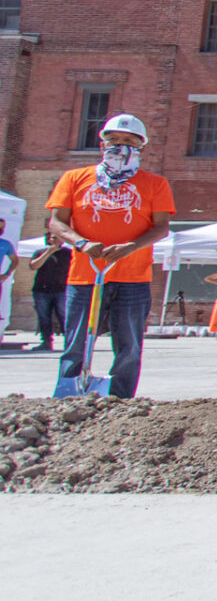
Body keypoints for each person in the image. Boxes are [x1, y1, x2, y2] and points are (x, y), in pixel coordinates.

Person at [45, 113, 175, 398]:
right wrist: (80, 242)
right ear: (102, 144)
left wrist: (129, 248)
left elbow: (162, 228)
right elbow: (56, 222)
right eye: (113, 140)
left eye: (128, 141)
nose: (120, 146)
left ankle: (119, 397)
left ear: (140, 146)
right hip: (84, 276)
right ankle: (69, 392)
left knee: (128, 343)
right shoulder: (74, 178)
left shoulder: (155, 184)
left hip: (133, 277)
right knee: (76, 340)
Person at [28, 241, 70, 350]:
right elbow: (33, 266)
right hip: (41, 289)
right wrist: (48, 252)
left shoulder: (69, 253)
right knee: (44, 317)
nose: (54, 240)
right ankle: (46, 342)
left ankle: (70, 343)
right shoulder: (40, 252)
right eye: (52, 237)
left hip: (62, 289)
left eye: (56, 238)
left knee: (65, 316)